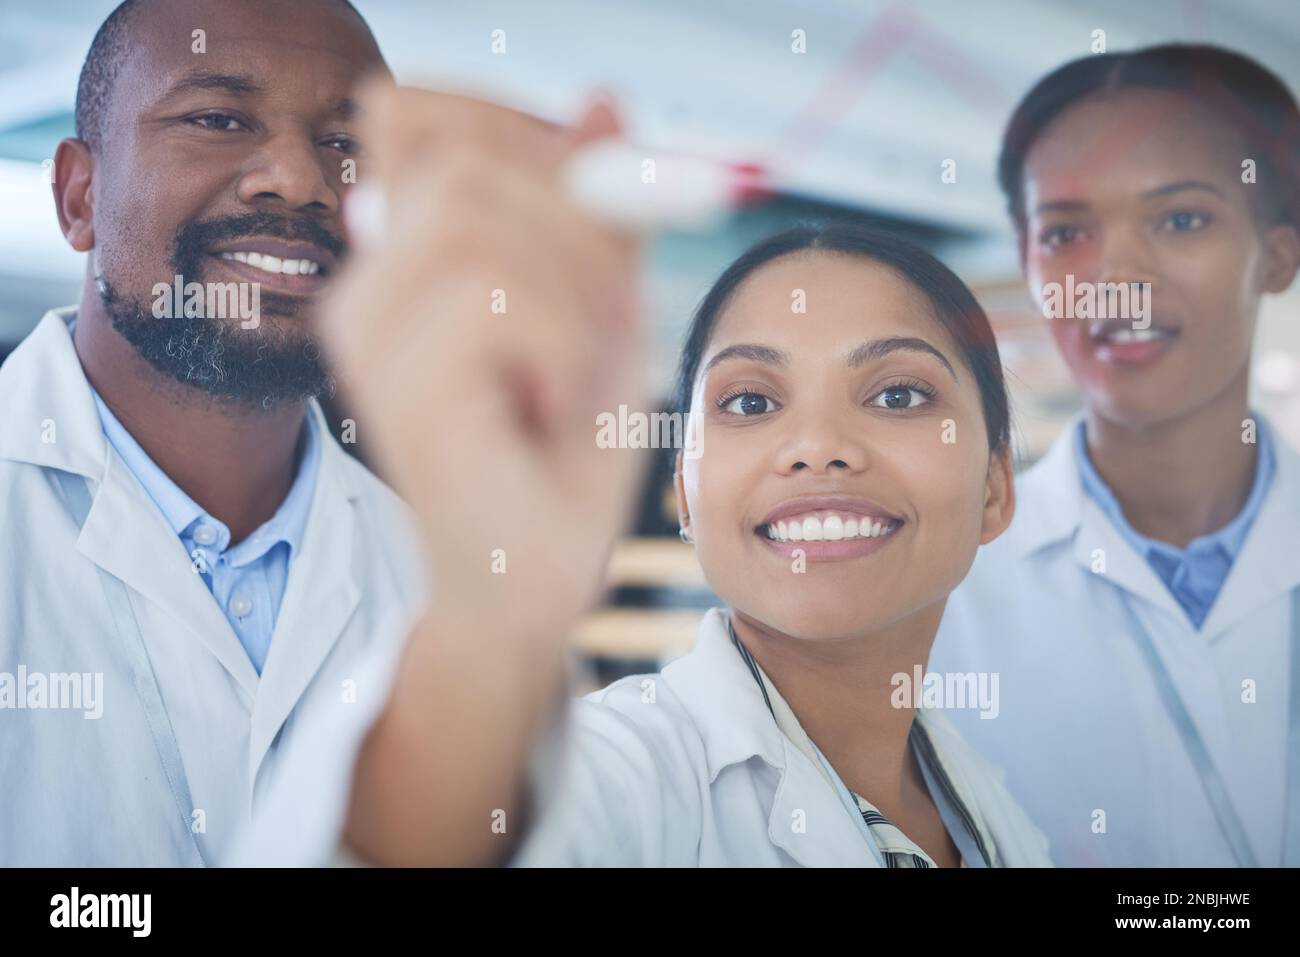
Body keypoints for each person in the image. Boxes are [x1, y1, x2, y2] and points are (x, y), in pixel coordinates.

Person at [234, 78, 1050, 865]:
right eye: (751, 401)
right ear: (685, 494)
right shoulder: (627, 780)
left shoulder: (995, 813)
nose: (817, 446)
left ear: (995, 488)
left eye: (899, 392)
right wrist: (489, 631)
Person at [0, 0, 424, 865]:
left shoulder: (437, 581)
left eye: (349, 145)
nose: (301, 179)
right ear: (80, 196)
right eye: (218, 118)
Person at [930, 44, 1300, 866]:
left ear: (1277, 253)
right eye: (1065, 232)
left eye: (1181, 219)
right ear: (1028, 262)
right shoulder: (937, 594)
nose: (1117, 277)